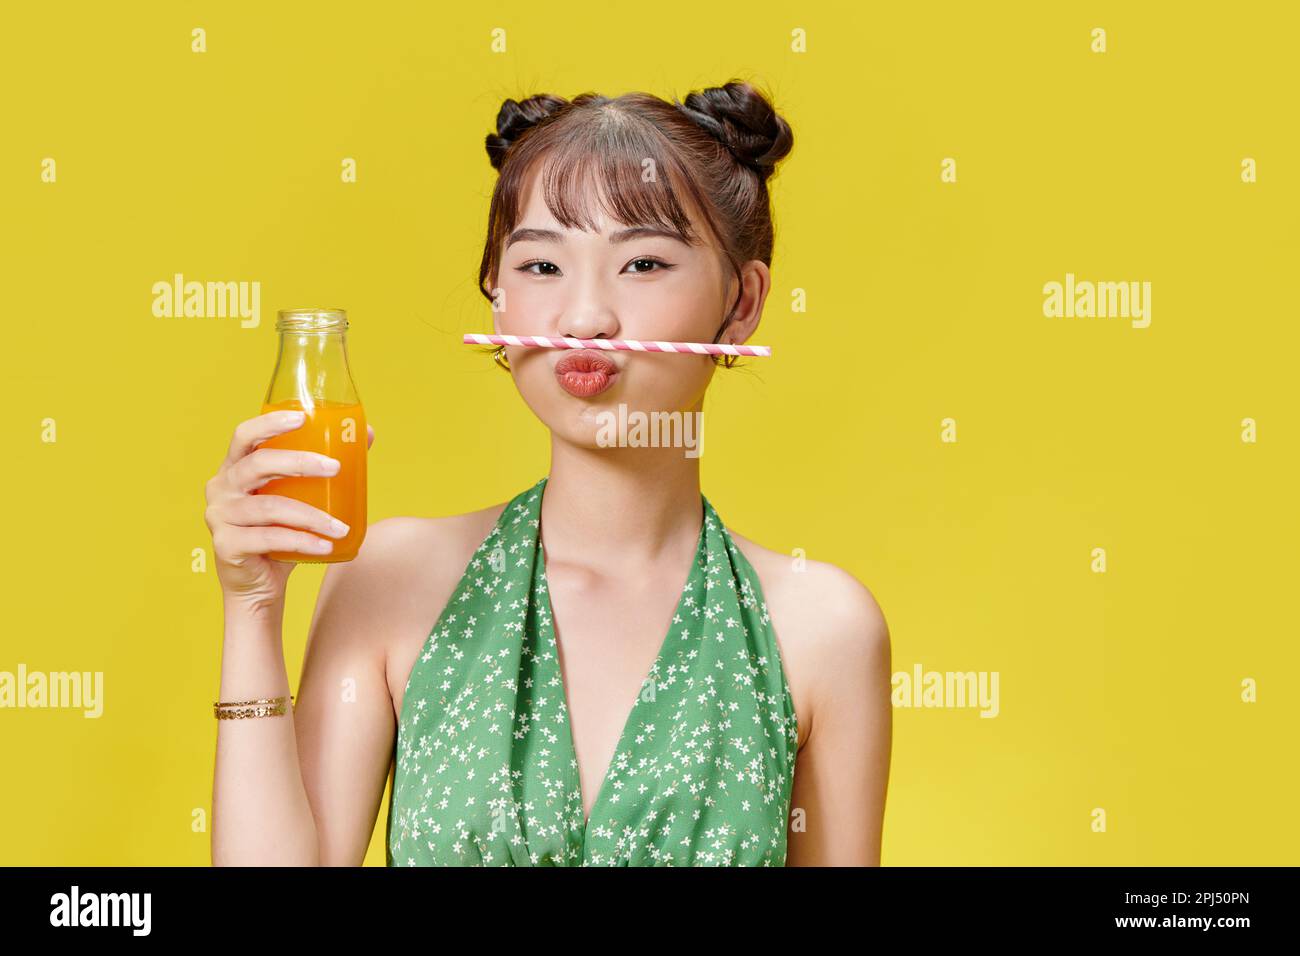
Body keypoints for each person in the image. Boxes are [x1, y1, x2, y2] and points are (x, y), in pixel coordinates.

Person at [206, 79, 891, 866]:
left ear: (742, 303)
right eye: (540, 265)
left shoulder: (824, 629)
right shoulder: (389, 580)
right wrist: (252, 607)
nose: (584, 317)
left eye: (642, 263)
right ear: (496, 301)